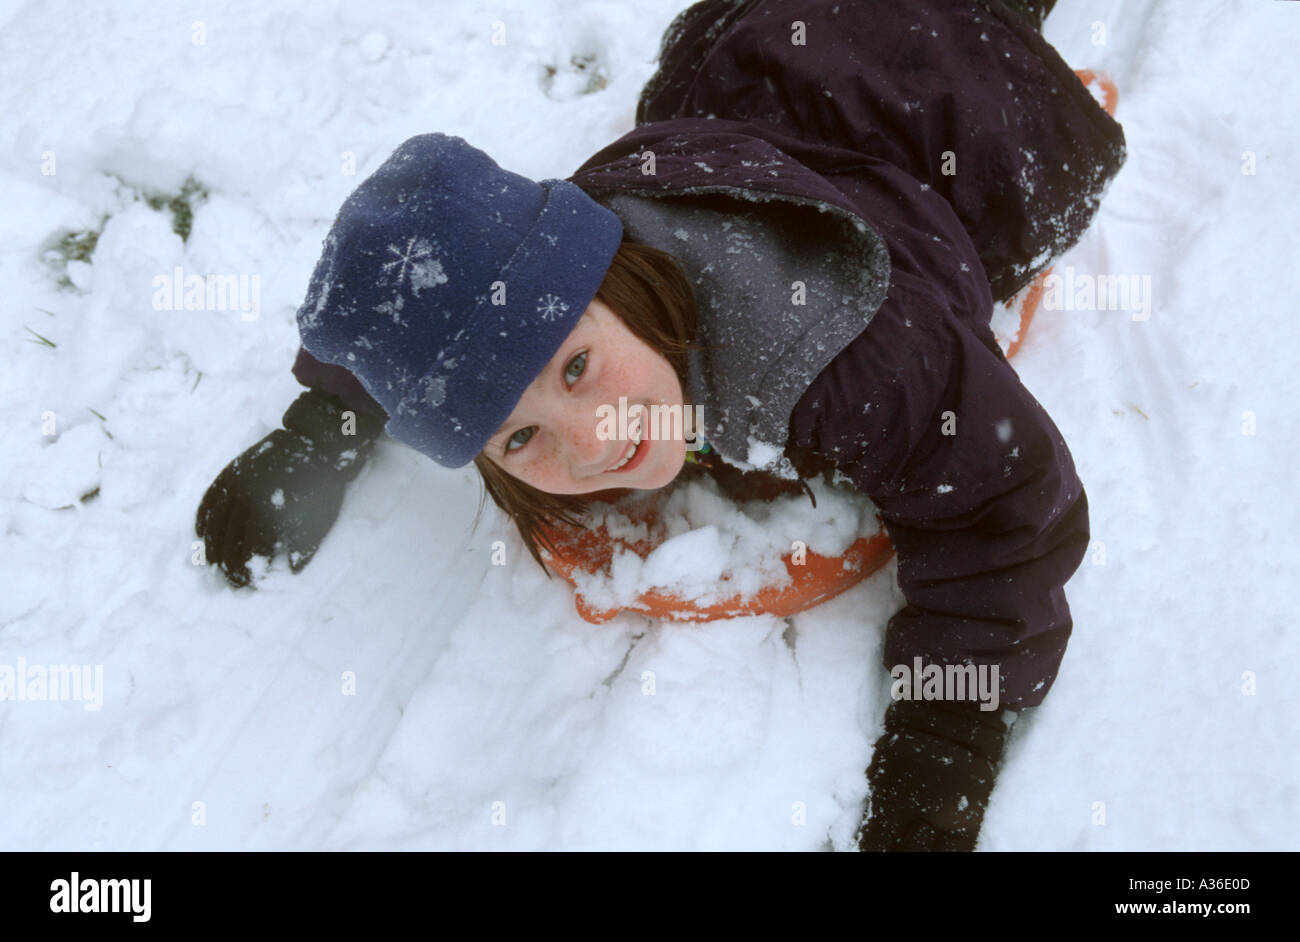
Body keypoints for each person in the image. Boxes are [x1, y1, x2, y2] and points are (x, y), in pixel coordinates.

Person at [196, 0, 1124, 850]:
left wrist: (945, 740)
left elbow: (1003, 506)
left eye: (576, 366)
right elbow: (419, 288)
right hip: (771, 66)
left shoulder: (843, 345)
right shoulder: (547, 263)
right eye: (518, 438)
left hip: (937, 90)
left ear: (615, 275)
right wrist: (322, 422)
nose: (595, 441)